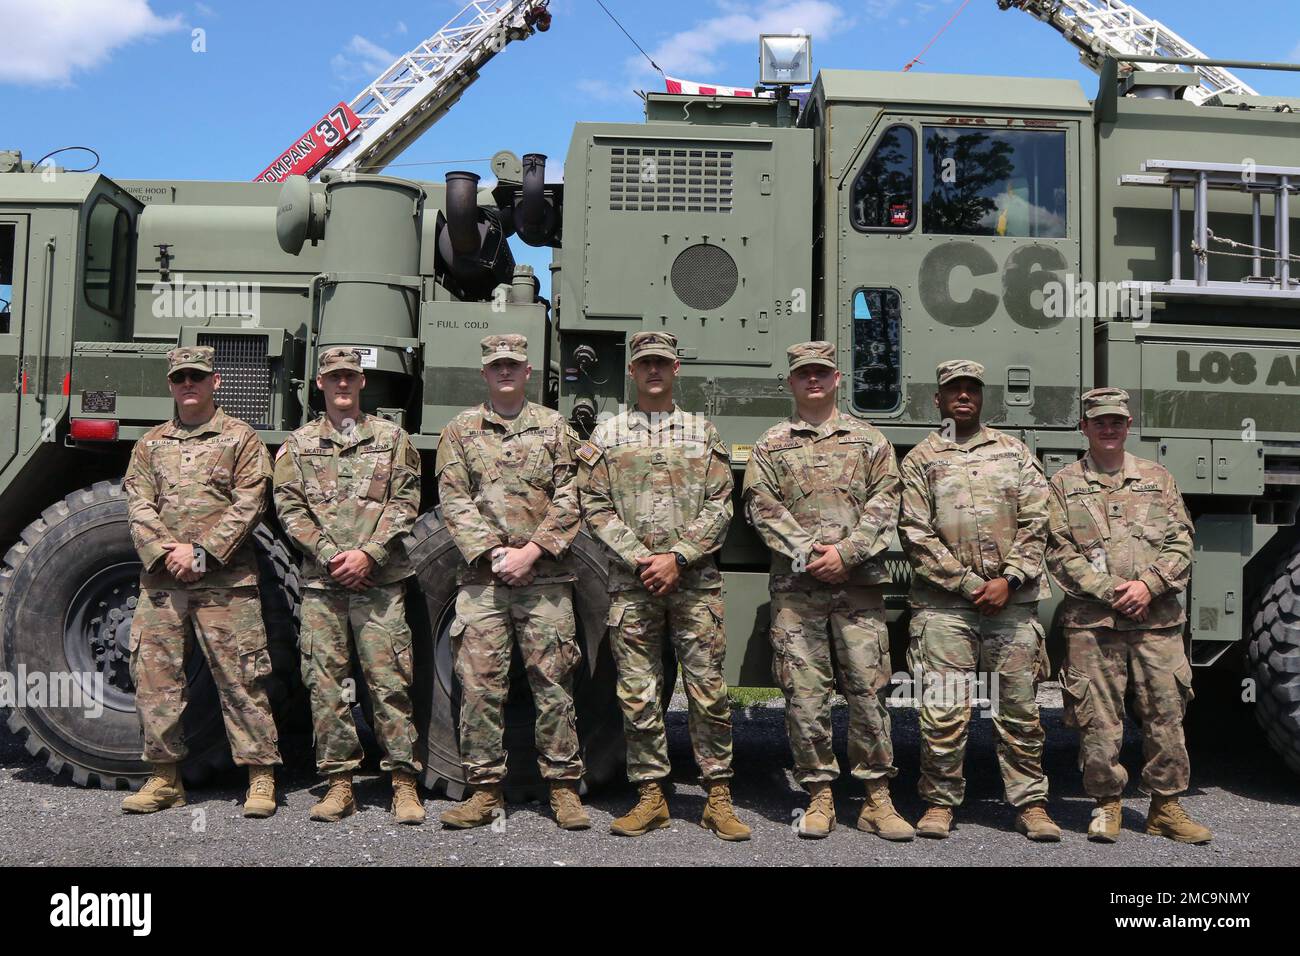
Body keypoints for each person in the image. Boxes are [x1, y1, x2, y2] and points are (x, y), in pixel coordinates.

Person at [577, 330, 750, 841]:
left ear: (676, 370)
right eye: (645, 363)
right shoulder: (607, 436)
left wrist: (678, 557)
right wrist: (640, 558)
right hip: (633, 587)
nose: (654, 370)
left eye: (663, 363)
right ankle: (651, 796)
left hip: (694, 584)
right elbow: (594, 505)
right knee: (637, 693)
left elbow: (723, 505)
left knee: (709, 692)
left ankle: (718, 796)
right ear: (632, 372)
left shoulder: (703, 432)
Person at [742, 341, 912, 840]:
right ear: (790, 382)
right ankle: (818, 795)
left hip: (858, 589)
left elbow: (888, 501)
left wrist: (848, 554)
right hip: (799, 591)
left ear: (837, 378)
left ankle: (877, 798)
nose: (812, 380)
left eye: (821, 373)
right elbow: (760, 506)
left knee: (869, 691)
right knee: (804, 694)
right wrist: (813, 556)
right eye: (802, 374)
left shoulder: (869, 440)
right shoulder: (771, 444)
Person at [898, 360, 1059, 841]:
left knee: (1020, 710)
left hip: (1011, 604)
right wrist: (969, 584)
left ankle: (1031, 805)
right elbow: (914, 533)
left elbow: (1039, 520)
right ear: (939, 399)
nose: (963, 396)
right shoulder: (921, 459)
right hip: (945, 607)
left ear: (981, 397)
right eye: (954, 390)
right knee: (944, 710)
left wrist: (1009, 579)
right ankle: (939, 803)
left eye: (971, 389)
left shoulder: (1014, 452)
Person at [435, 334, 589, 831]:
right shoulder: (459, 431)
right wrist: (492, 551)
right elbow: (452, 499)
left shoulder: (553, 427)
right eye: (496, 365)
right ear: (485, 373)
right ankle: (483, 791)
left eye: (513, 365)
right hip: (482, 582)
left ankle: (563, 790)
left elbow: (572, 496)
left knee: (553, 684)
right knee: (479, 686)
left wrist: (532, 552)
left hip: (544, 579)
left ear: (528, 372)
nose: (504, 372)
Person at [122, 345, 281, 817]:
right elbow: (136, 503)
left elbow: (251, 501)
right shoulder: (150, 444)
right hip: (164, 582)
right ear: (170, 386)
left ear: (216, 382)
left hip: (226, 582)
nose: (187, 384)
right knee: (155, 680)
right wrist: (168, 552)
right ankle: (164, 778)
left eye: (197, 376)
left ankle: (261, 778)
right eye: (179, 378)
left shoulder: (241, 438)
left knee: (241, 679)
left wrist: (203, 551)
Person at [1047, 386, 1210, 844]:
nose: (1108, 428)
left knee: (1166, 712)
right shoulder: (1063, 484)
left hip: (1156, 621)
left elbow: (1182, 540)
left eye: (1116, 421)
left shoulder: (1159, 479)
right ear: (1084, 427)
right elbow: (1058, 552)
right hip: (1092, 624)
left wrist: (1149, 585)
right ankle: (1106, 805)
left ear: (1128, 426)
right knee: (1097, 717)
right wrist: (1111, 591)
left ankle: (1166, 807)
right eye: (1099, 421)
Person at [273, 346, 425, 824]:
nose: (343, 384)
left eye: (350, 377)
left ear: (362, 383)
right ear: (320, 383)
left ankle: (403, 783)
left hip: (379, 584)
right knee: (327, 687)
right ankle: (339, 784)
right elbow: (288, 508)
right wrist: (329, 554)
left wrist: (369, 555)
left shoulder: (392, 438)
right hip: (323, 585)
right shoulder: (297, 446)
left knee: (390, 683)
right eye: (334, 377)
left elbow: (406, 503)